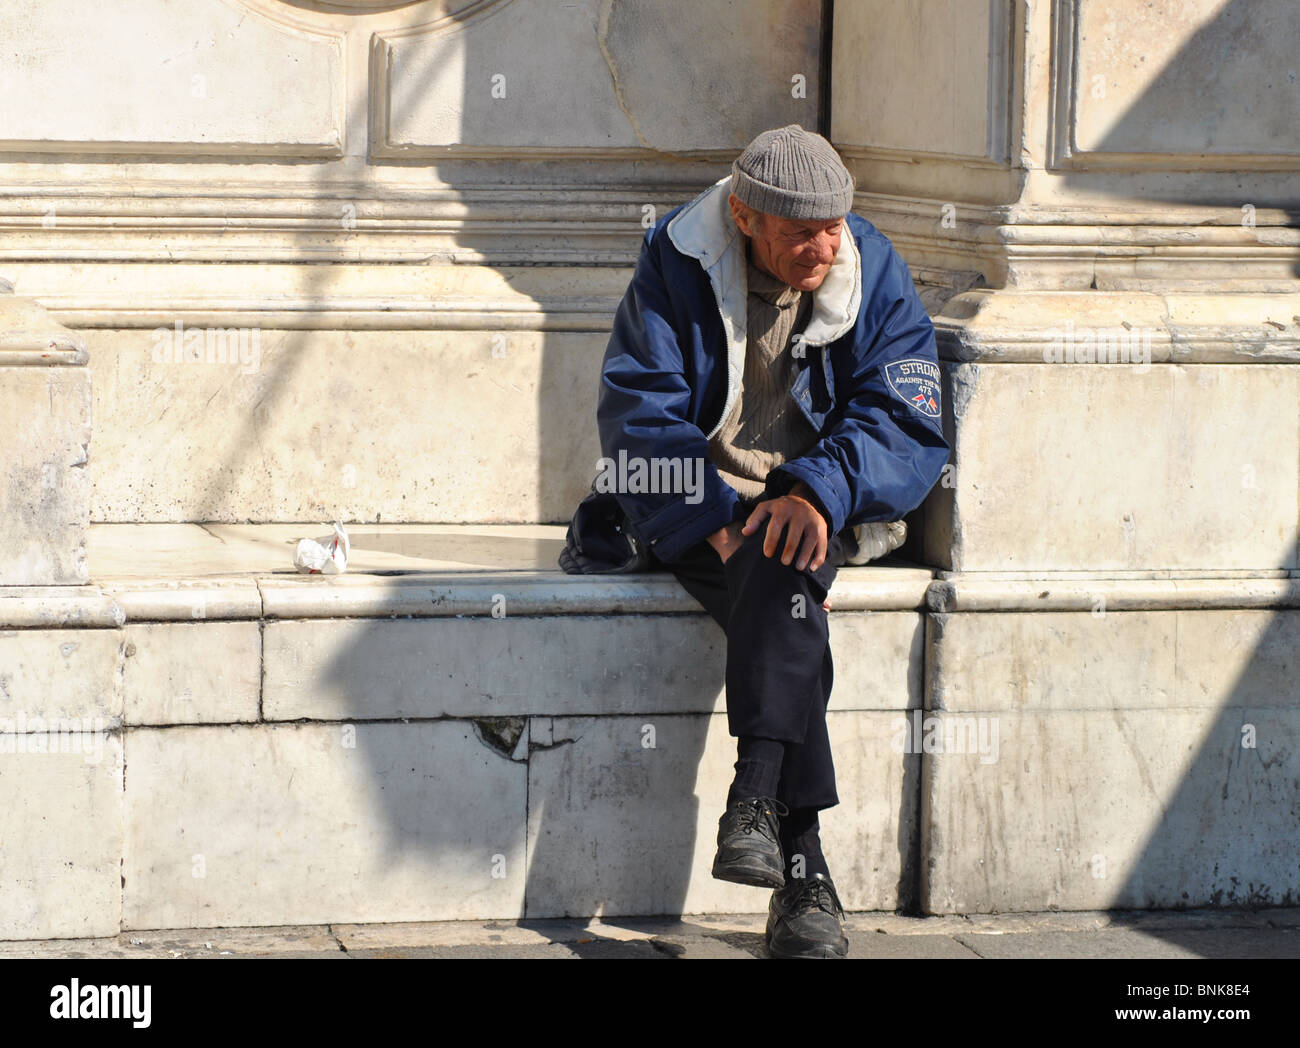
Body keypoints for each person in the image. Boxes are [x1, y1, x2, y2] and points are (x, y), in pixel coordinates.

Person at [592, 125, 949, 958]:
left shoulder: (870, 266)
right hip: (700, 504)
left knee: (787, 559)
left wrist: (821, 491)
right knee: (787, 591)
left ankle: (756, 797)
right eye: (799, 232)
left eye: (833, 227)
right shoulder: (678, 260)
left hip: (814, 498)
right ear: (746, 217)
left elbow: (906, 416)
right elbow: (638, 409)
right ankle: (803, 864)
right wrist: (711, 516)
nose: (823, 247)